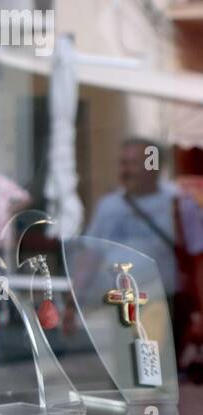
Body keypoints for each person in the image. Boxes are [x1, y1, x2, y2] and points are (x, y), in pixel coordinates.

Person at [85, 137, 203, 369]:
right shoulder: (109, 205)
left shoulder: (178, 204)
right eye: (123, 163)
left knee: (154, 373)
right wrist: (73, 300)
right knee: (127, 373)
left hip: (163, 301)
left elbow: (198, 259)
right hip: (120, 301)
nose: (126, 170)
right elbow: (91, 254)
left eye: (133, 163)